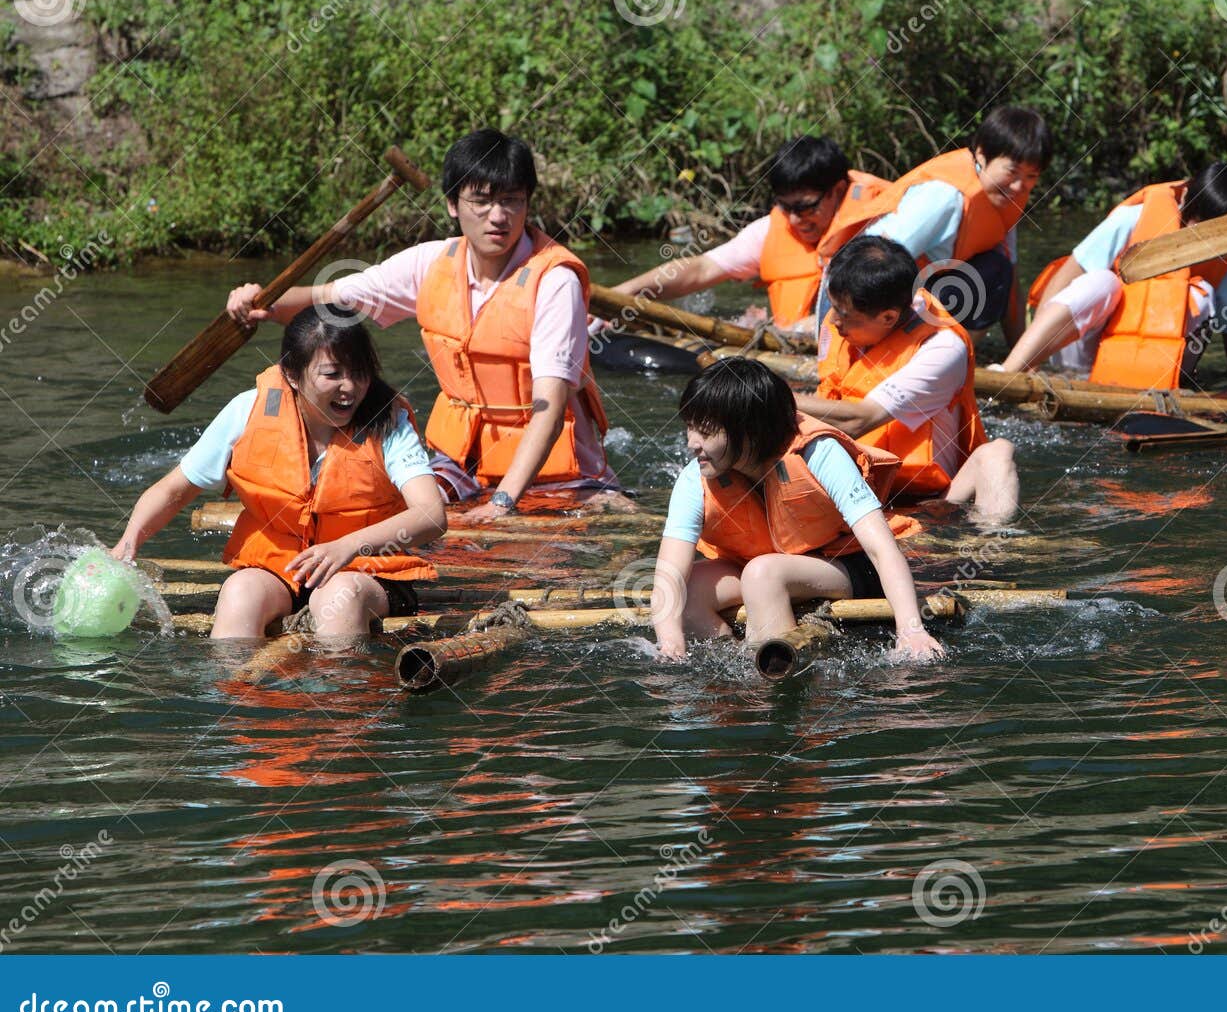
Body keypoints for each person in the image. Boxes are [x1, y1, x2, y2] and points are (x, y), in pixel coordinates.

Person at [226, 128, 624, 523]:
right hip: (462, 466)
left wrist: (502, 503)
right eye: (481, 202)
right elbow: (335, 295)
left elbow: (550, 408)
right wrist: (264, 303)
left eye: (511, 202)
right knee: (397, 515)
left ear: (527, 203)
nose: (498, 217)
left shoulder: (555, 281)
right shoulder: (431, 263)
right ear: (453, 204)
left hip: (558, 475)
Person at [113, 308, 446, 638]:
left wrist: (347, 546)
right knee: (239, 592)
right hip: (280, 569)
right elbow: (174, 490)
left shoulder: (388, 423)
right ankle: (233, 689)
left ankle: (339, 690)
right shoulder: (249, 410)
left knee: (339, 597)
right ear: (291, 374)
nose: (351, 387)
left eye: (360, 371)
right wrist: (129, 542)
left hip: (365, 573)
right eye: (332, 374)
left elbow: (430, 515)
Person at [650, 358, 942, 660]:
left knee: (763, 574)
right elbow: (669, 572)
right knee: (686, 590)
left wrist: (911, 629)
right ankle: (733, 665)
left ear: (749, 429)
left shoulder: (818, 452)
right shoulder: (694, 478)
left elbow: (882, 549)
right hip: (764, 569)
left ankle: (772, 682)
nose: (691, 443)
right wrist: (670, 642)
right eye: (690, 428)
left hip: (847, 566)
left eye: (706, 432)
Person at [798, 235, 1018, 524]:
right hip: (845, 487)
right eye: (833, 306)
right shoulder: (844, 320)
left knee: (998, 452)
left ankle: (990, 549)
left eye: (843, 313)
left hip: (929, 505)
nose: (833, 320)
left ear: (889, 318)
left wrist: (770, 398)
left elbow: (859, 420)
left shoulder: (942, 348)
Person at [1000, 163, 1227, 390]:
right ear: (1185, 203)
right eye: (1198, 226)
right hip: (1081, 352)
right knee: (1104, 282)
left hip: (1154, 369)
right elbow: (1062, 282)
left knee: (1202, 296)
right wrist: (1030, 361)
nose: (1204, 241)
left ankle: (1164, 387)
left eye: (1216, 234)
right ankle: (1008, 371)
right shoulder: (1132, 219)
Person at [604, 136, 887, 332]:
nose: (793, 218)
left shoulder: (881, 230)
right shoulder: (773, 230)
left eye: (804, 207)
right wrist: (619, 295)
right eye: (784, 206)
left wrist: (801, 329)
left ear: (837, 191)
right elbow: (700, 269)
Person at [820, 106, 1052, 342]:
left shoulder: (1006, 199)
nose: (1018, 186)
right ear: (981, 155)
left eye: (1031, 177)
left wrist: (1021, 359)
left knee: (997, 269)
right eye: (1012, 172)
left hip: (918, 292)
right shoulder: (944, 198)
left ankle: (959, 356)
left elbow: (1010, 285)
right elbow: (867, 265)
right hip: (858, 295)